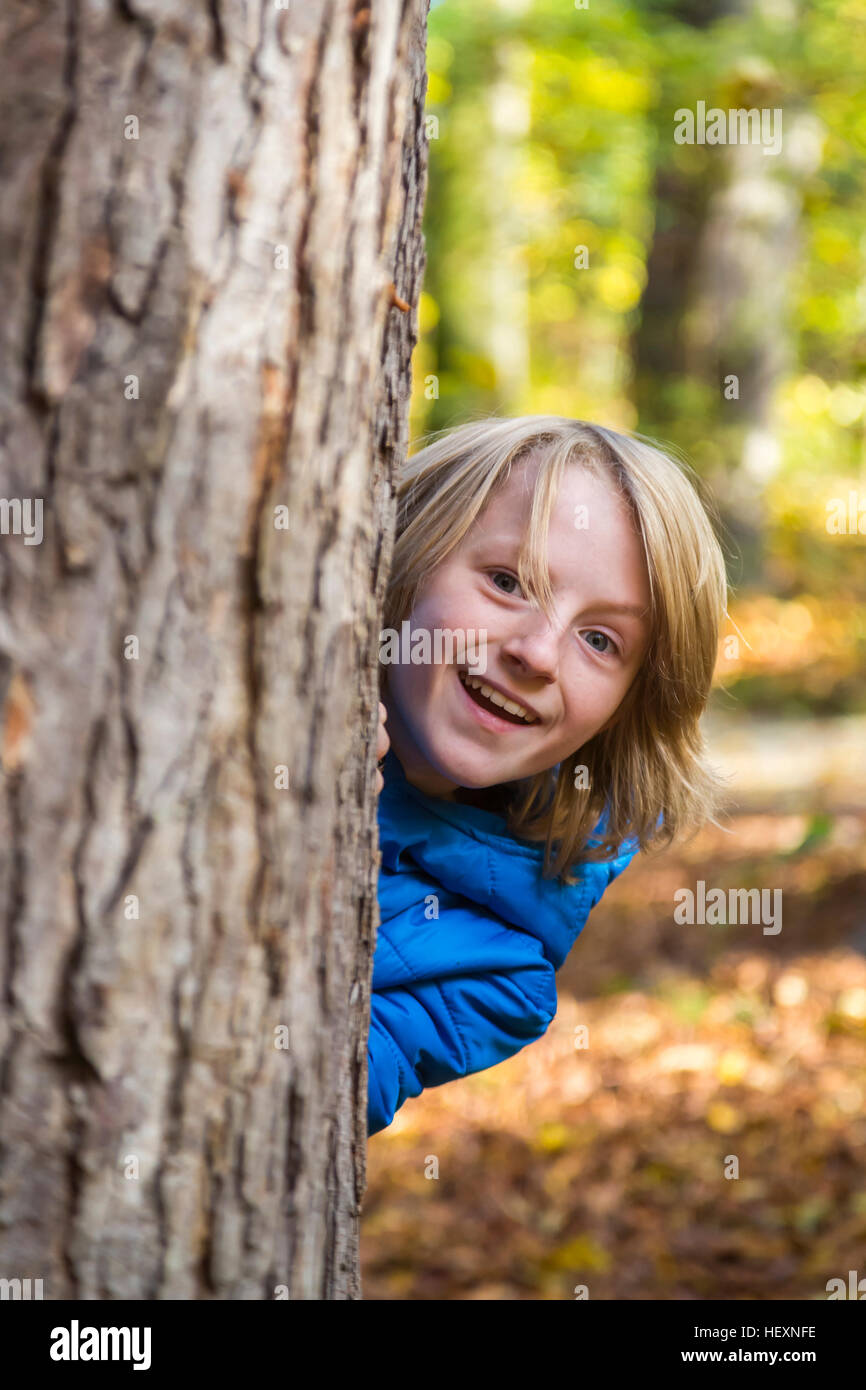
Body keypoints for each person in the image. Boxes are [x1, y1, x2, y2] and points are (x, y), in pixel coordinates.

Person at [368, 415, 728, 1136]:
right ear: (403, 550)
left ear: (625, 709)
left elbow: (299, 1097)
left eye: (599, 640)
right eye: (508, 582)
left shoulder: (490, 974)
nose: (537, 653)